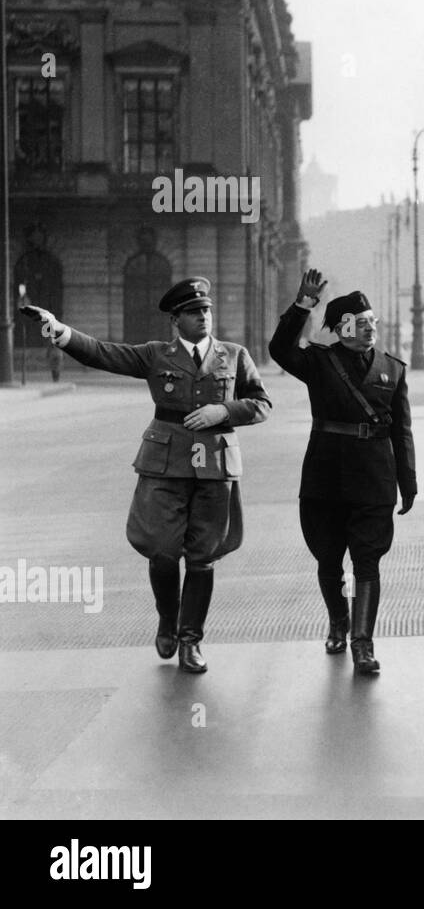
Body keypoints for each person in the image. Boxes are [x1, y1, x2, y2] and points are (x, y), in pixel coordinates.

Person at [21, 278, 270, 673]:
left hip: (215, 466)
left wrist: (223, 412)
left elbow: (261, 403)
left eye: (206, 311)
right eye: (193, 313)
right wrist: (59, 330)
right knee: (163, 550)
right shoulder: (157, 355)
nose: (203, 318)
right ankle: (167, 618)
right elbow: (103, 354)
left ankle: (191, 640)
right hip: (164, 463)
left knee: (203, 557)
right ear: (176, 320)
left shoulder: (234, 355)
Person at [269, 270, 416, 675]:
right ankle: (338, 620)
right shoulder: (318, 361)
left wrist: (409, 483)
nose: (369, 330)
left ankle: (362, 644)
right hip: (325, 477)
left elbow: (402, 430)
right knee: (329, 559)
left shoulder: (393, 369)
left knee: (368, 561)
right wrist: (303, 305)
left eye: (373, 322)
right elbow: (280, 350)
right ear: (340, 329)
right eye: (360, 324)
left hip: (374, 478)